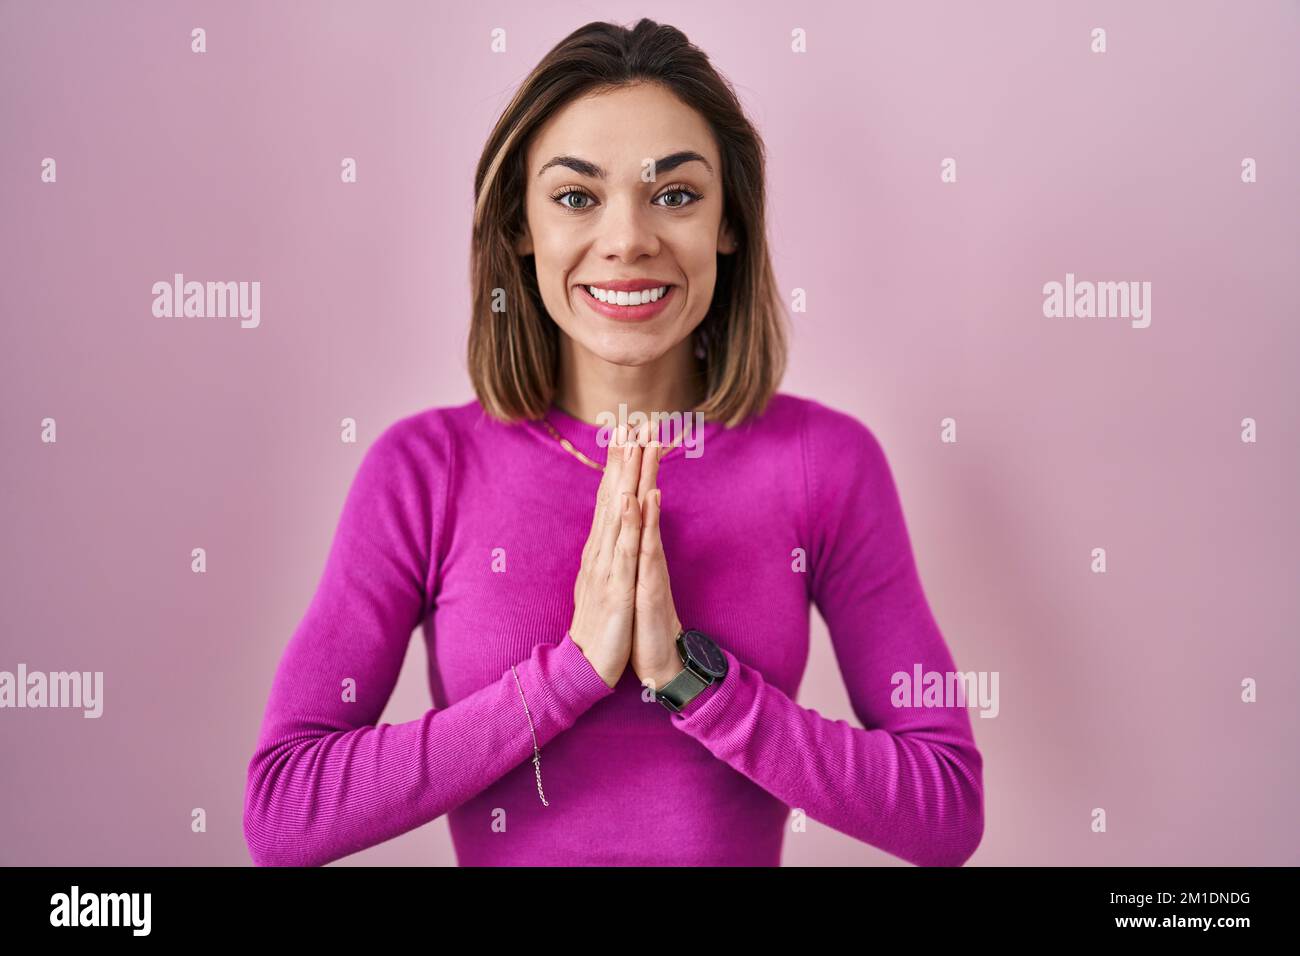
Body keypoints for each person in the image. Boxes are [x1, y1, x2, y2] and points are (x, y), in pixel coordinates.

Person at [243, 18, 984, 867]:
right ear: (520, 227)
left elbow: (945, 807)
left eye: (675, 195)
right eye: (575, 196)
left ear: (728, 225)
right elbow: (284, 811)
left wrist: (693, 681)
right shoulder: (423, 472)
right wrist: (570, 676)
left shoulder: (824, 463)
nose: (629, 239)